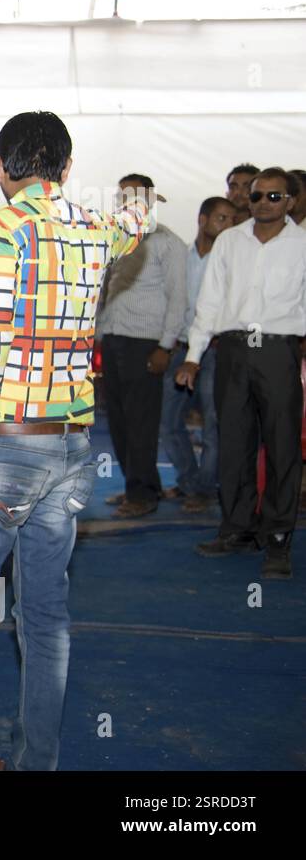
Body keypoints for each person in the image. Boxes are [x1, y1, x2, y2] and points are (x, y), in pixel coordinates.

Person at [0, 111, 154, 771]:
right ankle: (38, 761)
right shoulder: (94, 226)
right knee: (46, 616)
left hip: (3, 444)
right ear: (67, 166)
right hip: (72, 446)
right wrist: (140, 204)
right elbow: (138, 219)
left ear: (2, 169)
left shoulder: (3, 226)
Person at [177, 167, 306, 580]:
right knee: (233, 442)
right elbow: (210, 300)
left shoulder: (303, 245)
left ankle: (279, 539)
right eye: (256, 196)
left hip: (278, 350)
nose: (263, 203)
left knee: (283, 445)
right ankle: (237, 530)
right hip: (232, 348)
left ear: (291, 201)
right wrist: (193, 355)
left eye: (274, 196)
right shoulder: (230, 241)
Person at [96, 173, 187, 518]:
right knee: (118, 420)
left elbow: (178, 298)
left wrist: (166, 346)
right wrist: (98, 334)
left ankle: (144, 494)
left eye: (135, 197)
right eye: (123, 197)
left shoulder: (168, 243)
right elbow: (107, 291)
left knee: (141, 421)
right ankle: (136, 484)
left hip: (146, 343)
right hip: (115, 338)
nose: (128, 203)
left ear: (151, 201)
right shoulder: (117, 239)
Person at [159, 197, 238, 513]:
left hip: (215, 350)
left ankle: (204, 490)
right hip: (180, 348)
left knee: (213, 425)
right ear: (202, 220)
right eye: (222, 218)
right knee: (167, 423)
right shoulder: (181, 257)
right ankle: (190, 481)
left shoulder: (232, 259)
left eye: (232, 219)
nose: (228, 225)